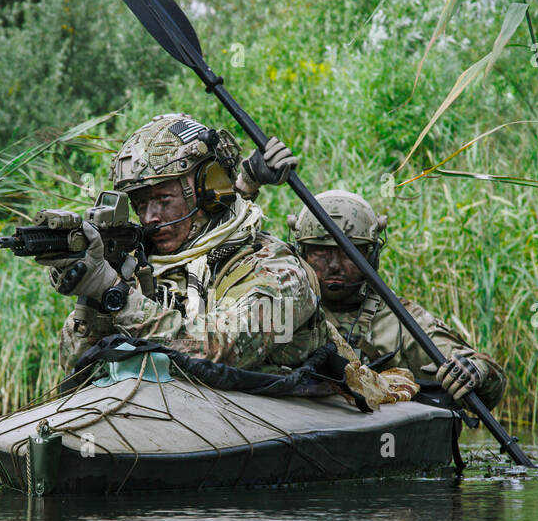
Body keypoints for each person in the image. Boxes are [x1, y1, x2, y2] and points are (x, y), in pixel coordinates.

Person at [40, 113, 331, 374]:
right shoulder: (143, 270)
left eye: (163, 199)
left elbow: (221, 352)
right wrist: (94, 299)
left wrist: (117, 296)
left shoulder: (277, 269)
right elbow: (76, 368)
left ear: (209, 189)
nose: (149, 218)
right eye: (140, 204)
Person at [288, 190, 506, 408]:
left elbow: (490, 383)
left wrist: (476, 371)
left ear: (371, 256)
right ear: (302, 253)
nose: (334, 265)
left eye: (349, 252)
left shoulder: (399, 322)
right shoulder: (284, 311)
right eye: (321, 252)